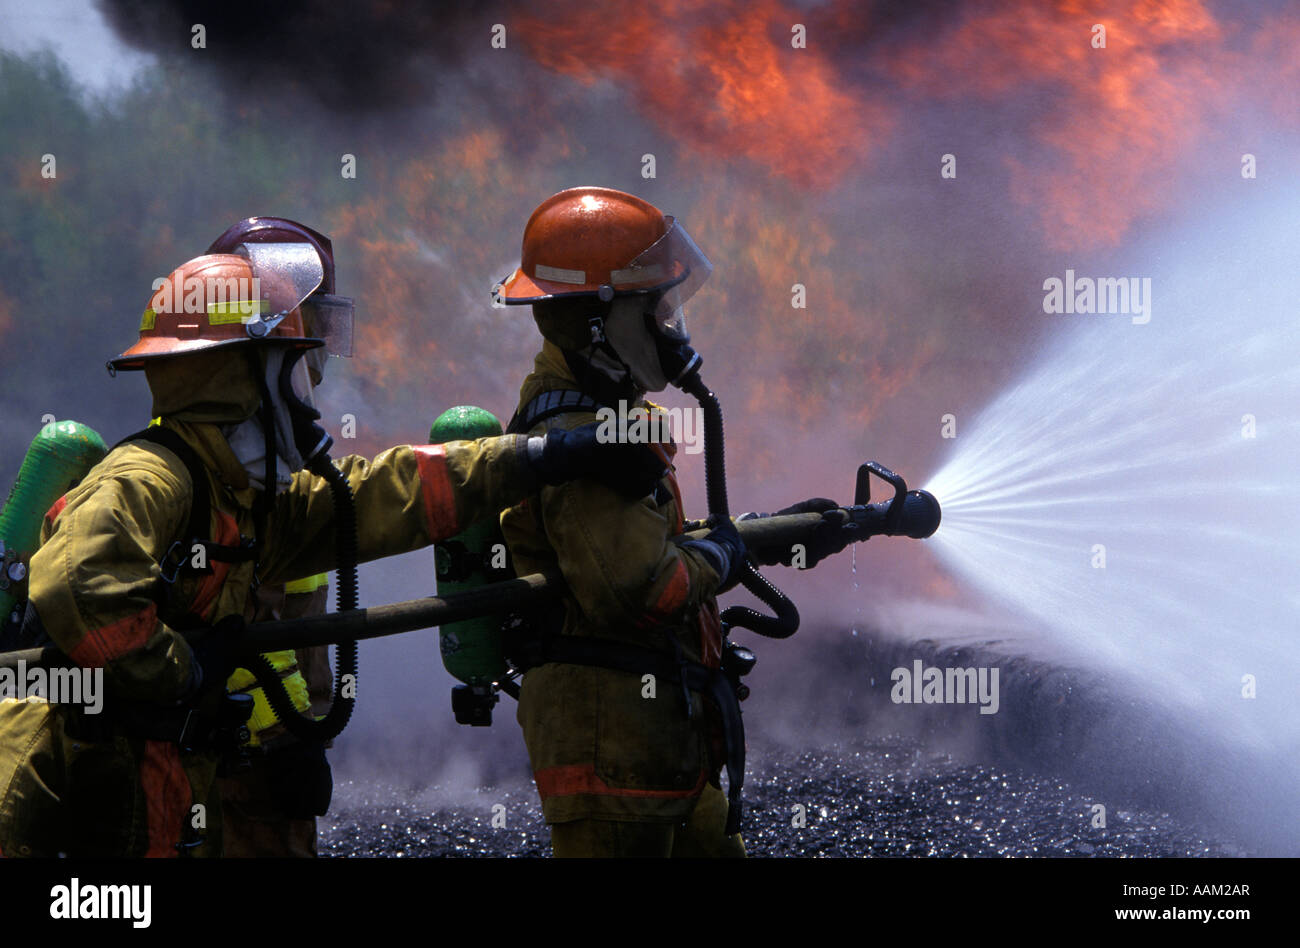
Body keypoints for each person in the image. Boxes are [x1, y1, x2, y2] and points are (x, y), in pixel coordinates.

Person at [0, 237, 666, 858]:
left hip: (143, 778)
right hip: (64, 788)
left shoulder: (237, 496)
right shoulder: (153, 475)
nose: (306, 394)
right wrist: (184, 670)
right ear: (242, 376)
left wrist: (547, 454)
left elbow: (385, 493)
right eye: (291, 369)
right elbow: (78, 584)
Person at [494, 187, 749, 857]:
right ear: (601, 323)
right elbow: (639, 590)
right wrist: (721, 558)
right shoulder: (577, 438)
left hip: (657, 740)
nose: (671, 326)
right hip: (610, 760)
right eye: (656, 307)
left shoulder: (607, 415)